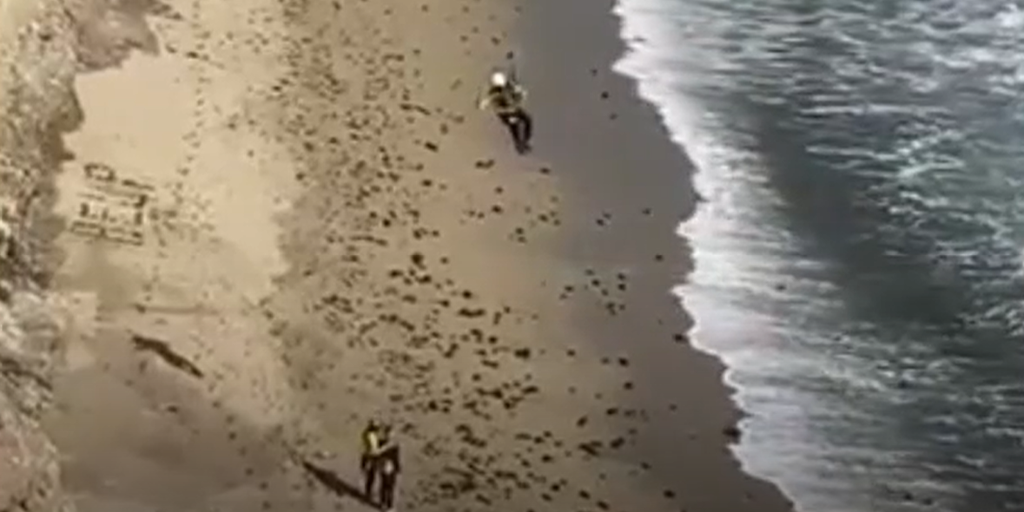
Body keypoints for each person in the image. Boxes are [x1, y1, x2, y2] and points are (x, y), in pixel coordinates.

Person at [478, 70, 533, 153]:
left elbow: (516, 95)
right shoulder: (495, 94)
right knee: (515, 126)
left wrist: (520, 92)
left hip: (513, 109)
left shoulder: (506, 89)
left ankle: (524, 142)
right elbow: (492, 104)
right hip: (507, 113)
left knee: (525, 121)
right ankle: (520, 144)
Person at [377, 433, 401, 512]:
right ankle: (387, 505)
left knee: (388, 487)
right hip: (385, 468)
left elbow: (396, 458)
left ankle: (386, 504)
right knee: (387, 487)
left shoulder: (384, 444)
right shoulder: (391, 446)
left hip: (387, 468)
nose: (390, 437)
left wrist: (397, 468)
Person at [361, 419, 384, 499]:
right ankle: (368, 492)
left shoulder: (369, 433)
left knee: (371, 475)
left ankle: (369, 491)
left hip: (369, 456)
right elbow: (373, 449)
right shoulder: (370, 435)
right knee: (371, 475)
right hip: (370, 457)